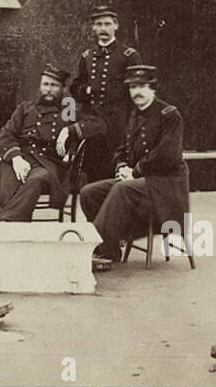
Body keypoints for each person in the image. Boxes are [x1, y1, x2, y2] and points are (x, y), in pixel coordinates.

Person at [79, 65, 190, 269]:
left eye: (141, 86)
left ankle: (97, 249)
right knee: (89, 192)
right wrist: (121, 166)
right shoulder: (135, 115)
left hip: (165, 187)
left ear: (153, 88)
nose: (136, 92)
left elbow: (167, 156)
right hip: (141, 183)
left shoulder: (169, 115)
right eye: (132, 87)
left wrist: (135, 171)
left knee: (121, 189)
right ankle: (110, 249)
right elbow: (121, 149)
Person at [0, 64, 102, 222]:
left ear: (63, 89)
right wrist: (16, 158)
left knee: (37, 178)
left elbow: (98, 124)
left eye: (54, 85)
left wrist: (70, 130)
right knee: (10, 176)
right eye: (45, 84)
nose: (49, 89)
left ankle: (8, 222)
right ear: (40, 86)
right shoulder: (26, 108)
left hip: (49, 164)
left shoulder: (67, 109)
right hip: (21, 158)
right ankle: (16, 223)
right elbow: (6, 134)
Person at [71, 4, 140, 183]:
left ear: (116, 26)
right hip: (93, 124)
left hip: (119, 125)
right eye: (99, 24)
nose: (103, 29)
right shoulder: (87, 56)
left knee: (117, 171)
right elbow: (76, 86)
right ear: (93, 27)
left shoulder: (128, 55)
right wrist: (85, 90)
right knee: (94, 172)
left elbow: (138, 92)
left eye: (107, 24)